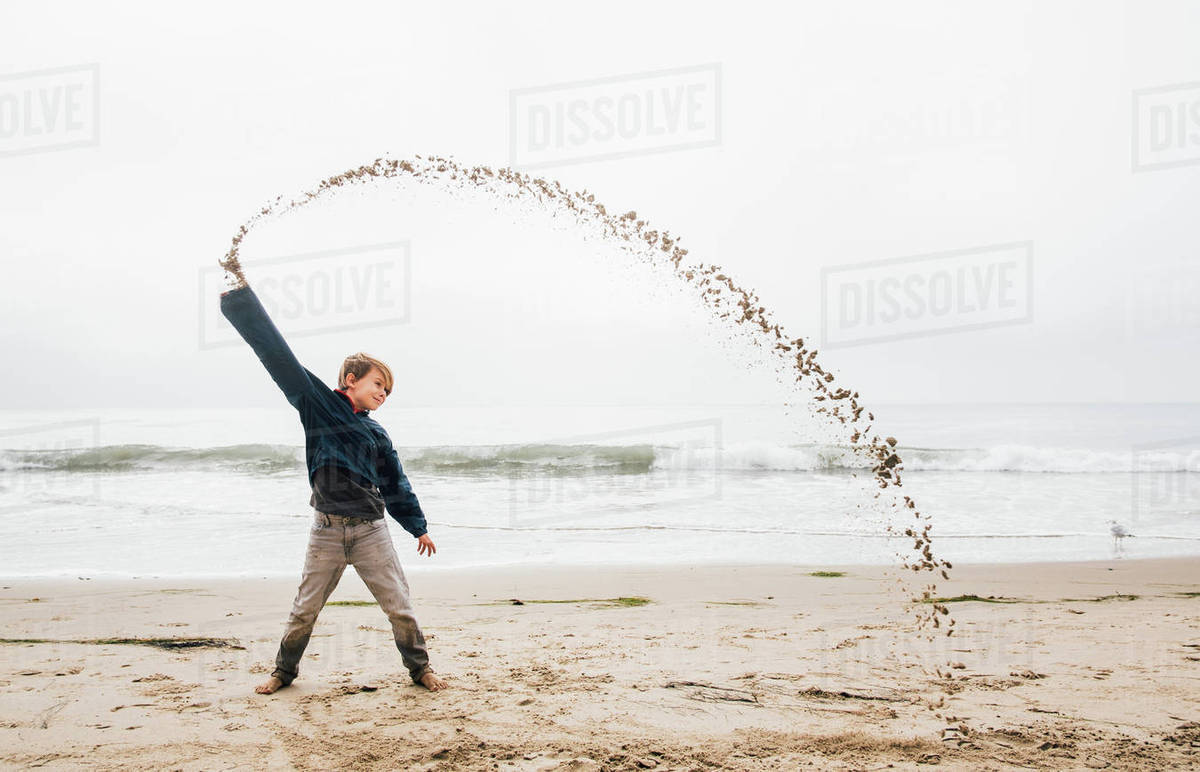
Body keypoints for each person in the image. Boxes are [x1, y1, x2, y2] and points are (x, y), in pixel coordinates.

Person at [218, 283, 447, 694]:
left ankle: (420, 669)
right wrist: (239, 303)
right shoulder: (316, 404)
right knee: (304, 611)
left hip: (370, 533)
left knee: (400, 609)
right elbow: (278, 357)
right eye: (378, 384)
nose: (383, 394)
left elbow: (396, 483)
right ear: (350, 379)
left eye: (387, 391)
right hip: (325, 532)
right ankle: (283, 673)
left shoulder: (377, 432)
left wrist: (418, 527)